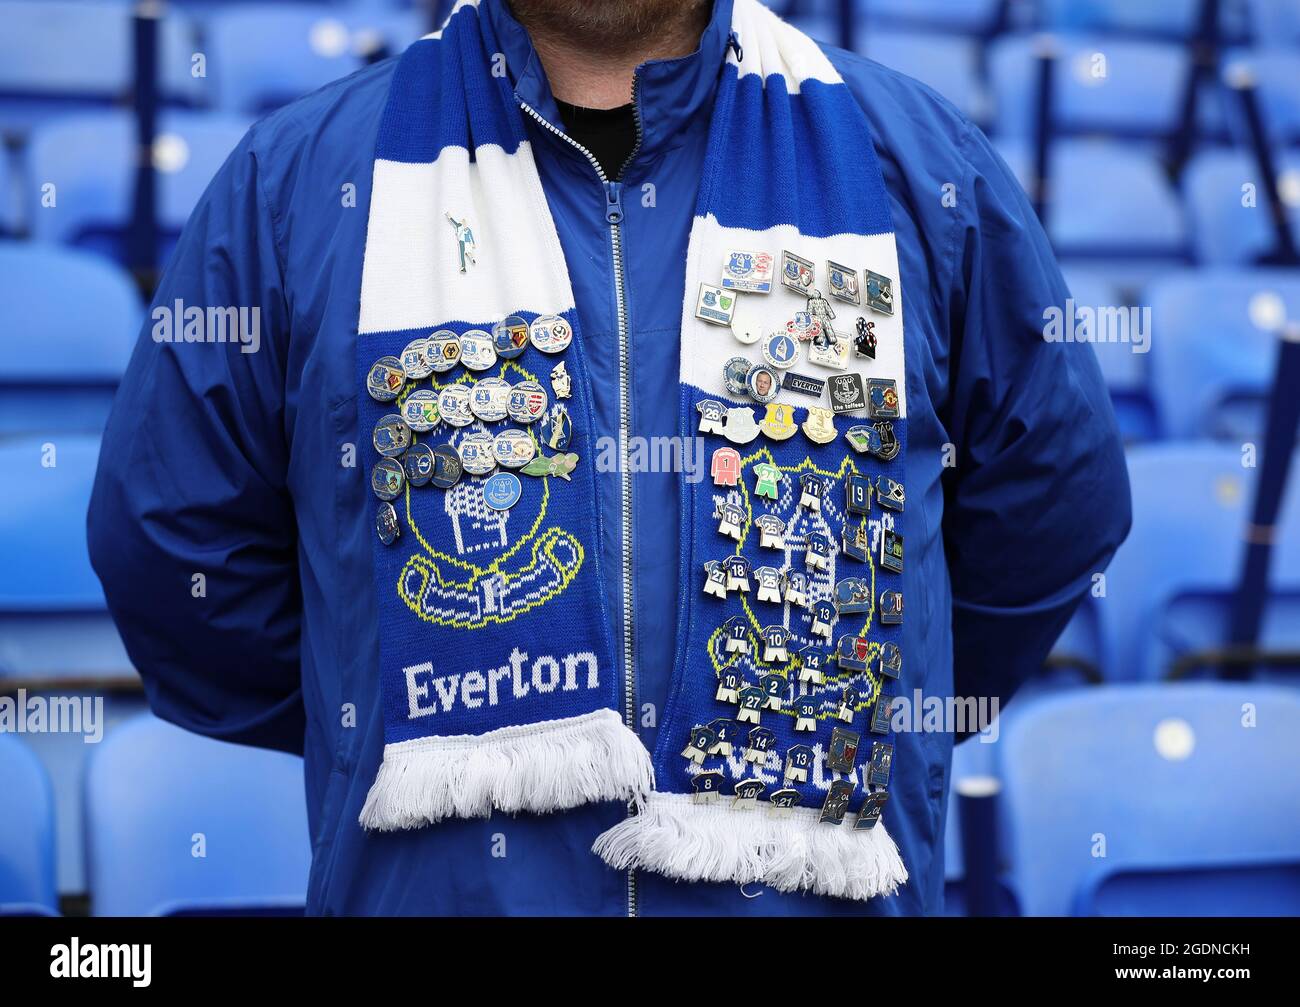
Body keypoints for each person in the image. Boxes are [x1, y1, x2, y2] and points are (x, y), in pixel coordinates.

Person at [87, 0, 1130, 916]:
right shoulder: (299, 181)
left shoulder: (917, 164)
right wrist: (380, 691)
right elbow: (170, 544)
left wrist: (874, 687)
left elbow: (1052, 515)